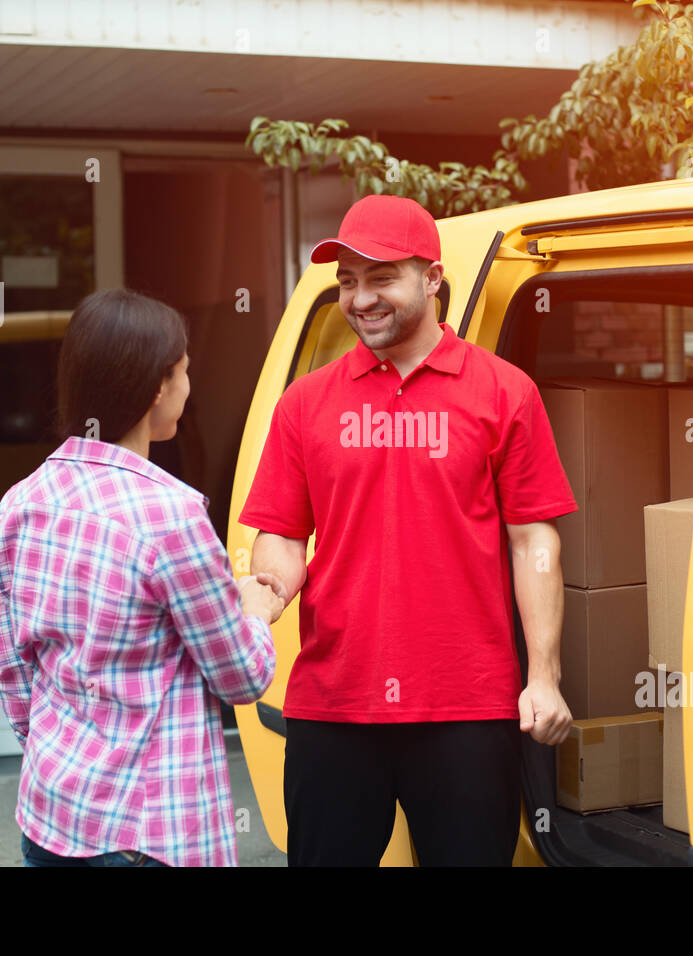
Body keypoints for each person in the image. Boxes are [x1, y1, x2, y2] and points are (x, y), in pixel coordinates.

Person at [239, 194, 579, 867]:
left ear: (432, 278)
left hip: (467, 709)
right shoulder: (305, 404)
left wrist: (543, 674)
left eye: (380, 278)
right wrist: (269, 588)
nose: (360, 299)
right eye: (347, 282)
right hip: (332, 707)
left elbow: (532, 541)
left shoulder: (505, 394)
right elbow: (281, 530)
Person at [0, 288, 281, 867]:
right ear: (156, 388)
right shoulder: (170, 515)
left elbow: (12, 669)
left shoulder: (21, 503)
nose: (189, 387)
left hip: (49, 816)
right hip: (147, 837)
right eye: (184, 372)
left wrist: (58, 752)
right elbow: (241, 677)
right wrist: (255, 609)